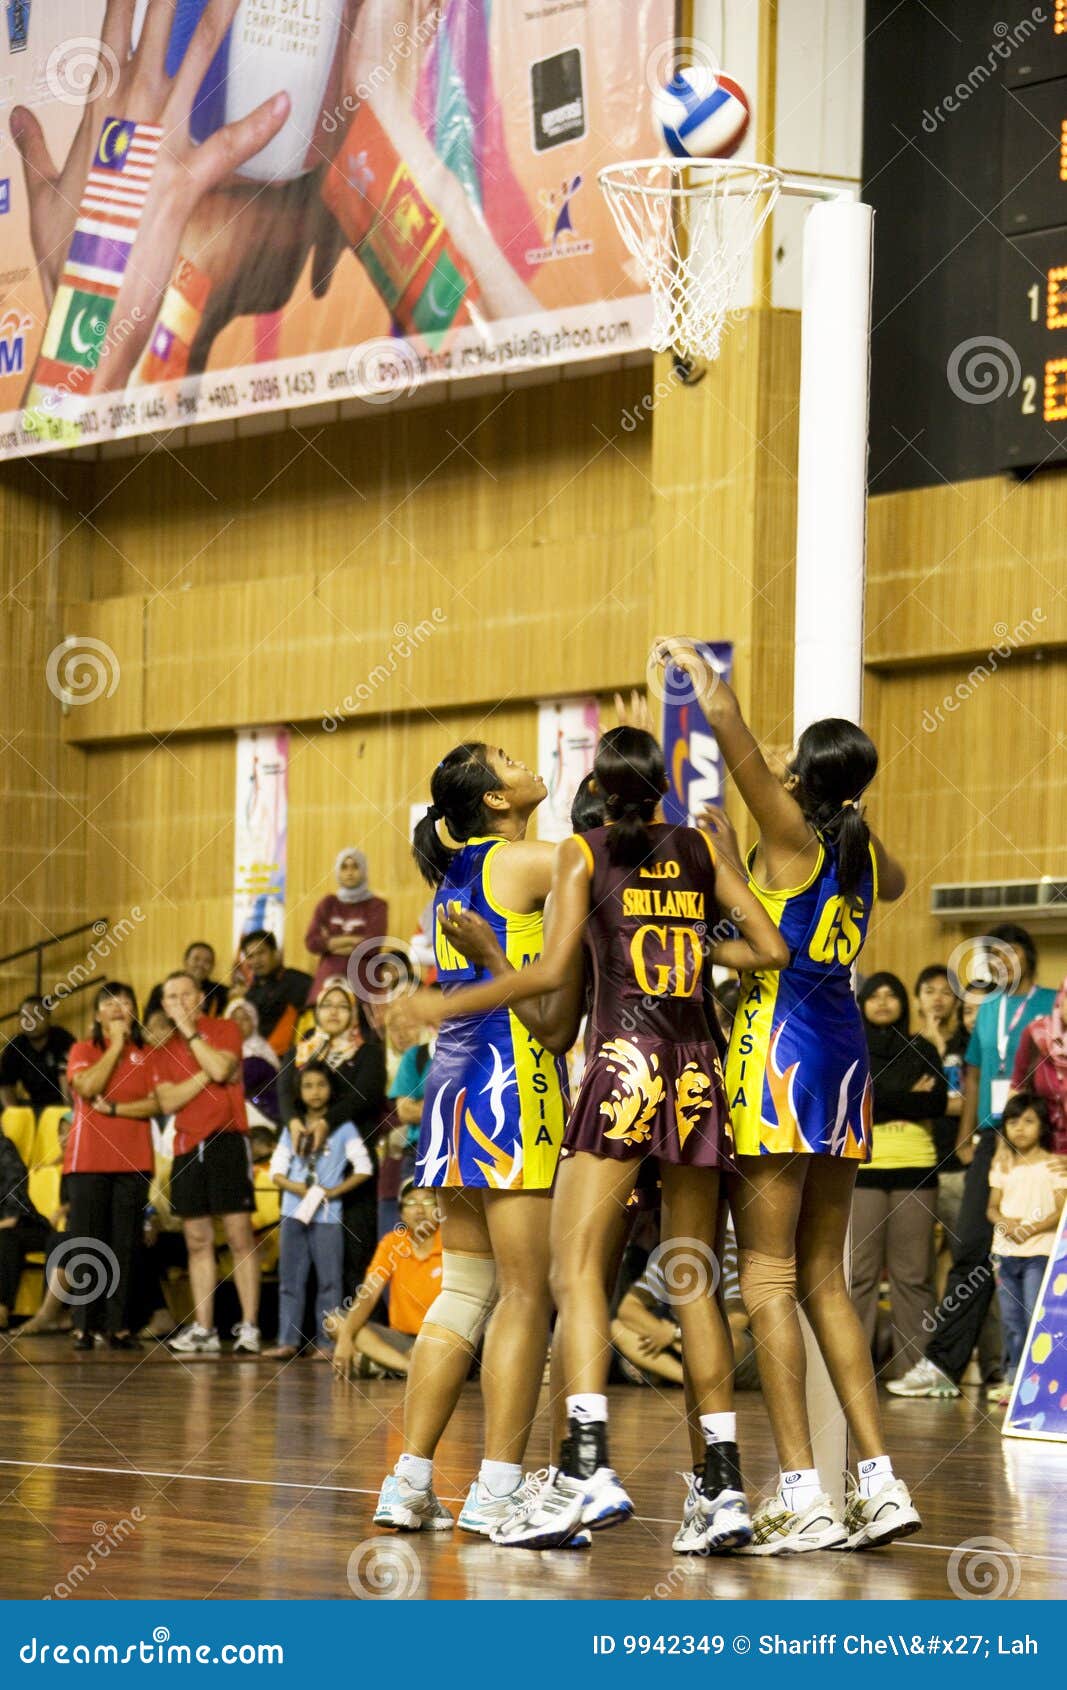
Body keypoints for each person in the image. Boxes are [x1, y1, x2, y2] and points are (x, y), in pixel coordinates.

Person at [401, 724, 789, 1553]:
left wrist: (438, 1000)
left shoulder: (558, 858)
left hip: (563, 1072)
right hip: (677, 1072)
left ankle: (565, 1466)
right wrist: (699, 944)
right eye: (505, 763)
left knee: (536, 1280)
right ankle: (720, 1489)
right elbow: (772, 947)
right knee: (689, 1280)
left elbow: (548, 996)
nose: (523, 763)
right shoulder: (685, 845)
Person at [660, 641, 920, 1554]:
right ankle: (877, 1482)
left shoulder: (791, 839)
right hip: (845, 1051)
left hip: (779, 1052)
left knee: (765, 1275)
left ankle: (803, 1487)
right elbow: (896, 881)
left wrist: (699, 670)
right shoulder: (855, 850)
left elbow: (728, 734)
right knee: (825, 1278)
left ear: (801, 775)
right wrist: (814, 784)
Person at [373, 740, 579, 1539]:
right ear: (493, 799)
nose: (525, 761)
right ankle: (496, 1487)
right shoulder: (525, 860)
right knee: (527, 1293)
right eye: (506, 758)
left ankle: (410, 1479)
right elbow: (610, 859)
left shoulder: (456, 874)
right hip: (510, 1077)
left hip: (452, 1087)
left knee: (464, 1290)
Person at [889, 924, 1056, 1401]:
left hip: (1042, 1143)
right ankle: (943, 1364)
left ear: (1025, 956)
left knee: (1038, 1255)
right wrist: (966, 1137)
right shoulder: (987, 1012)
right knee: (973, 1248)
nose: (997, 967)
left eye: (1005, 956)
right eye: (989, 960)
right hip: (990, 1138)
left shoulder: (1049, 1003)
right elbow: (975, 1072)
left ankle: (1032, 1371)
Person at [152, 972, 261, 1356]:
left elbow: (222, 1069)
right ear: (163, 1004)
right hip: (186, 1146)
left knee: (238, 1236)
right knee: (197, 1242)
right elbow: (167, 1102)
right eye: (171, 997)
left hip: (227, 1142)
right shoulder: (162, 1049)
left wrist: (194, 1039)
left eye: (186, 994)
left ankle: (249, 1327)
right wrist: (206, 1074)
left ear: (200, 997)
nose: (180, 1002)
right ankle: (204, 1328)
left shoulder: (225, 1027)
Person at [850, 973, 948, 1380]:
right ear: (863, 1002)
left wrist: (879, 1094)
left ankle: (916, 1371)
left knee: (913, 1276)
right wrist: (907, 1096)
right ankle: (852, 1370)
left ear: (904, 1004)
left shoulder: (922, 1047)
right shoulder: (850, 1047)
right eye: (876, 995)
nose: (884, 1001)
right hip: (862, 1170)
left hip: (917, 1169)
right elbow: (854, 1097)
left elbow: (938, 1101)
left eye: (893, 994)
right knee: (859, 1276)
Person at [277, 977, 385, 1296]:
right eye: (327, 1005)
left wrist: (326, 1121)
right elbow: (284, 1092)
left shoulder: (368, 1052)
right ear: (317, 1011)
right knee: (306, 1251)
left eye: (343, 1006)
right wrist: (294, 1123)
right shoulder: (300, 1051)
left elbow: (363, 1096)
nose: (334, 1012)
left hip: (352, 1165)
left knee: (354, 1247)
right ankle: (309, 1336)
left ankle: (353, 1335)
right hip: (306, 1163)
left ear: (354, 1013)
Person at [64, 983, 158, 1351]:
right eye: (109, 1002)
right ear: (97, 1015)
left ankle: (118, 1325)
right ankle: (83, 1324)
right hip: (88, 1161)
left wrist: (118, 1109)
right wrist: (116, 1046)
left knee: (125, 1245)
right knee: (88, 1242)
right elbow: (86, 1086)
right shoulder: (83, 1049)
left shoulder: (148, 1054)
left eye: (125, 1001)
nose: (118, 1008)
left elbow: (157, 1103)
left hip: (134, 1160)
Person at [264, 1062, 374, 1361]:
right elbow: (275, 1170)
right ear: (299, 1091)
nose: (315, 1092)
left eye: (321, 1085)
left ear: (331, 1089)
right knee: (290, 1279)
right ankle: (287, 1340)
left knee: (329, 1280)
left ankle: (327, 1342)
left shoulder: (342, 1127)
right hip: (293, 1212)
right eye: (308, 1086)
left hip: (327, 1215)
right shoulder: (294, 1126)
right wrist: (295, 1187)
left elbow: (364, 1168)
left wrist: (332, 1192)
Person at [987, 1094, 1067, 1404]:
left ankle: (1043, 1378)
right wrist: (1006, 1224)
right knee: (1011, 1320)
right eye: (1012, 1122)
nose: (1019, 1128)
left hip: (1039, 1253)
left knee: (1037, 1318)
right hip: (1006, 1254)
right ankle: (1014, 1378)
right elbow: (991, 1208)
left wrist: (1031, 1228)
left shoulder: (1053, 1165)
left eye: (1029, 1121)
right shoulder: (1003, 1165)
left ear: (1043, 1127)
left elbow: (1061, 1211)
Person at [332, 1182, 443, 1378]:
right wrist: (345, 1338)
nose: (419, 1210)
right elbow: (368, 1294)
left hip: (441, 1340)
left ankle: (383, 1364)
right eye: (410, 1203)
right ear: (401, 1214)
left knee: (450, 1351)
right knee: (335, 1322)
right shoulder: (393, 1242)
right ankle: (410, 1369)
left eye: (428, 1201)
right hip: (401, 1339)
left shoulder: (452, 1241)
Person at [304, 848, 389, 1005]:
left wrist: (329, 944)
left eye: (355, 866)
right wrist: (355, 940)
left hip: (365, 982)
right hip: (328, 979)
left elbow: (371, 947)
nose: (349, 872)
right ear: (337, 871)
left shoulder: (377, 905)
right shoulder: (328, 903)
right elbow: (312, 942)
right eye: (344, 867)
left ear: (364, 870)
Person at [1011, 975, 1067, 1155]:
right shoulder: (1036, 1033)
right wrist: (1006, 1145)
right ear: (1061, 998)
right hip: (1038, 1148)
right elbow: (1016, 1090)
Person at [240, 931, 312, 1057]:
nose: (256, 960)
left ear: (275, 952)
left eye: (261, 953)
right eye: (250, 956)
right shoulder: (249, 994)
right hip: (256, 1058)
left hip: (291, 1058)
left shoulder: (298, 981)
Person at [0, 996, 73, 1112]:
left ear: (48, 1018)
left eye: (36, 1017)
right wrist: (13, 1115)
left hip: (61, 1105)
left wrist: (69, 1116)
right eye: (25, 1017)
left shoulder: (63, 1040)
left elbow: (68, 1086)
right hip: (33, 1104)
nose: (30, 1022)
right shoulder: (16, 1046)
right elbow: (5, 1085)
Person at [225, 999, 281, 1126]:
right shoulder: (220, 1050)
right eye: (234, 1019)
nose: (238, 1024)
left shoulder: (259, 1052)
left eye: (245, 1019)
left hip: (261, 1113)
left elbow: (239, 1087)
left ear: (254, 1022)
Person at [144, 943, 228, 1022]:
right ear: (186, 961)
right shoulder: (162, 989)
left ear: (212, 966)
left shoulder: (222, 992)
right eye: (196, 959)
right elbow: (150, 1023)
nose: (201, 964)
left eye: (207, 961)